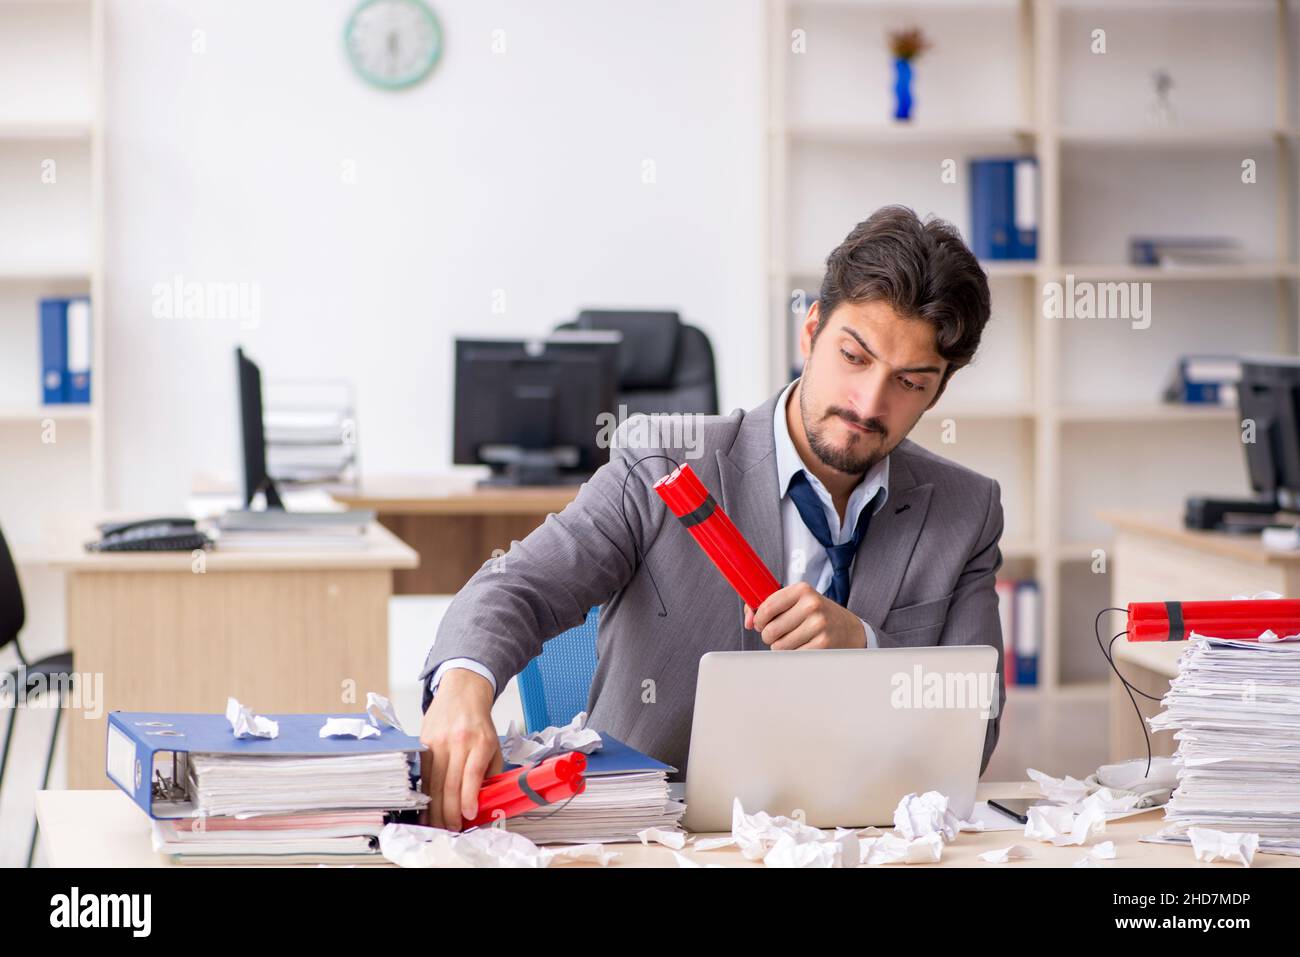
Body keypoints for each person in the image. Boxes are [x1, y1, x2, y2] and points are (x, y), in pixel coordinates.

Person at [418, 204, 1004, 829]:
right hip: (654, 838)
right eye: (854, 357)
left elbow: (978, 723)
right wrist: (462, 684)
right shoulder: (665, 462)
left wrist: (866, 648)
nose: (869, 402)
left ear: (937, 391)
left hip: (861, 839)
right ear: (810, 334)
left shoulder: (966, 510)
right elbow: (519, 586)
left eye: (910, 383)